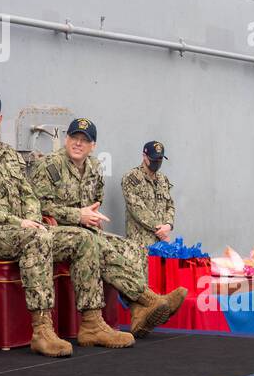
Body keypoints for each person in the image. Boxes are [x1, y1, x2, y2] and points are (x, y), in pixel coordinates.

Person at [0, 92, 97, 358]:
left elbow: (28, 194)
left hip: (23, 228)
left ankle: (92, 323)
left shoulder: (9, 154)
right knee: (38, 239)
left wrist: (34, 219)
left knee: (82, 238)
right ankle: (42, 330)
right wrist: (19, 222)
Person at [30, 120, 186, 340]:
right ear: (66, 140)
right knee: (97, 244)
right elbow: (38, 206)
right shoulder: (50, 165)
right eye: (74, 138)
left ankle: (137, 313)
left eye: (85, 140)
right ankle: (148, 300)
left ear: (93, 145)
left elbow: (96, 199)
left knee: (132, 247)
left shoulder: (94, 167)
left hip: (86, 229)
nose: (78, 143)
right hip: (57, 231)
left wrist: (91, 216)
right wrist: (78, 215)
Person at [121, 141, 176, 246]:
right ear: (144, 156)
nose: (157, 162)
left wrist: (168, 225)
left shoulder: (163, 179)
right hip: (139, 245)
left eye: (160, 159)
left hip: (161, 244)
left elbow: (170, 205)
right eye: (154, 159)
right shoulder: (131, 178)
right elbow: (137, 209)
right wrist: (160, 230)